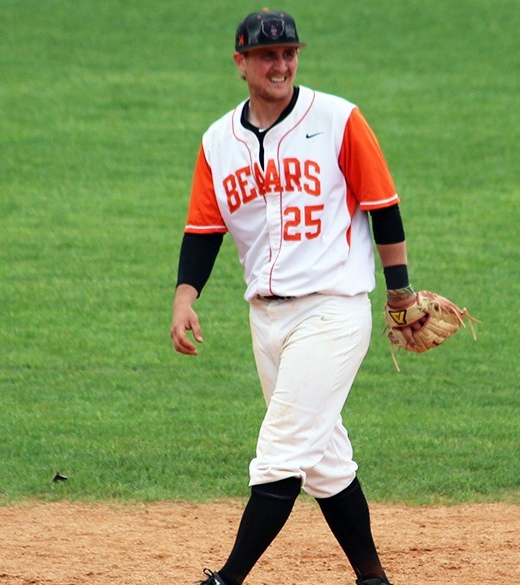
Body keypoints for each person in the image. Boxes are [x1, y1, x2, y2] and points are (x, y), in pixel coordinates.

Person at [170, 9, 423, 585]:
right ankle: (373, 578)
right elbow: (204, 230)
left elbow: (383, 206)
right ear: (241, 64)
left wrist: (400, 291)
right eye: (267, 56)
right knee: (324, 462)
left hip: (333, 311)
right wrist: (185, 297)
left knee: (280, 452)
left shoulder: (337, 119)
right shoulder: (218, 141)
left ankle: (227, 580)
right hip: (266, 318)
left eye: (289, 53)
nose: (281, 64)